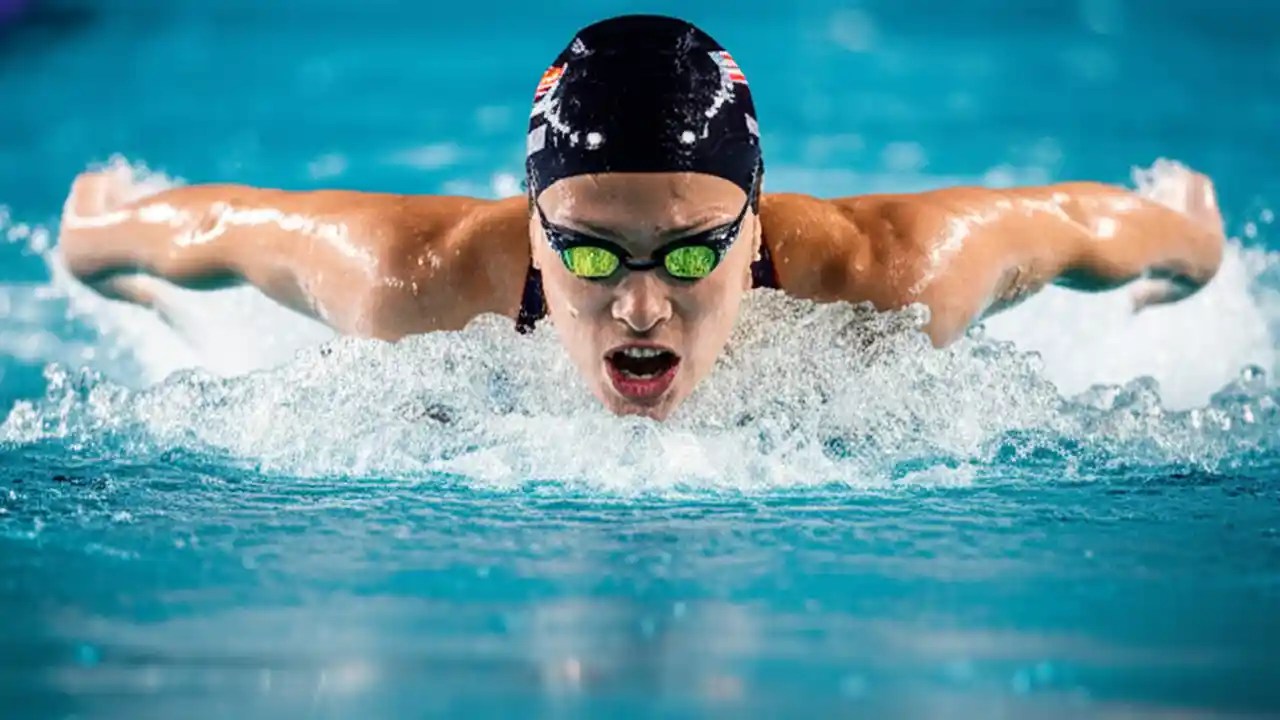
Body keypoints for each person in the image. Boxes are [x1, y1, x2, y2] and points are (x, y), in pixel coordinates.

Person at [57, 15, 1225, 420]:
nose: (638, 306)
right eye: (585, 251)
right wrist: (102, 235)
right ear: (530, 230)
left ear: (754, 229)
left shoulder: (891, 276)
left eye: (689, 251)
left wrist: (1186, 240)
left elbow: (1070, 226)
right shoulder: (404, 279)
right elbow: (223, 230)